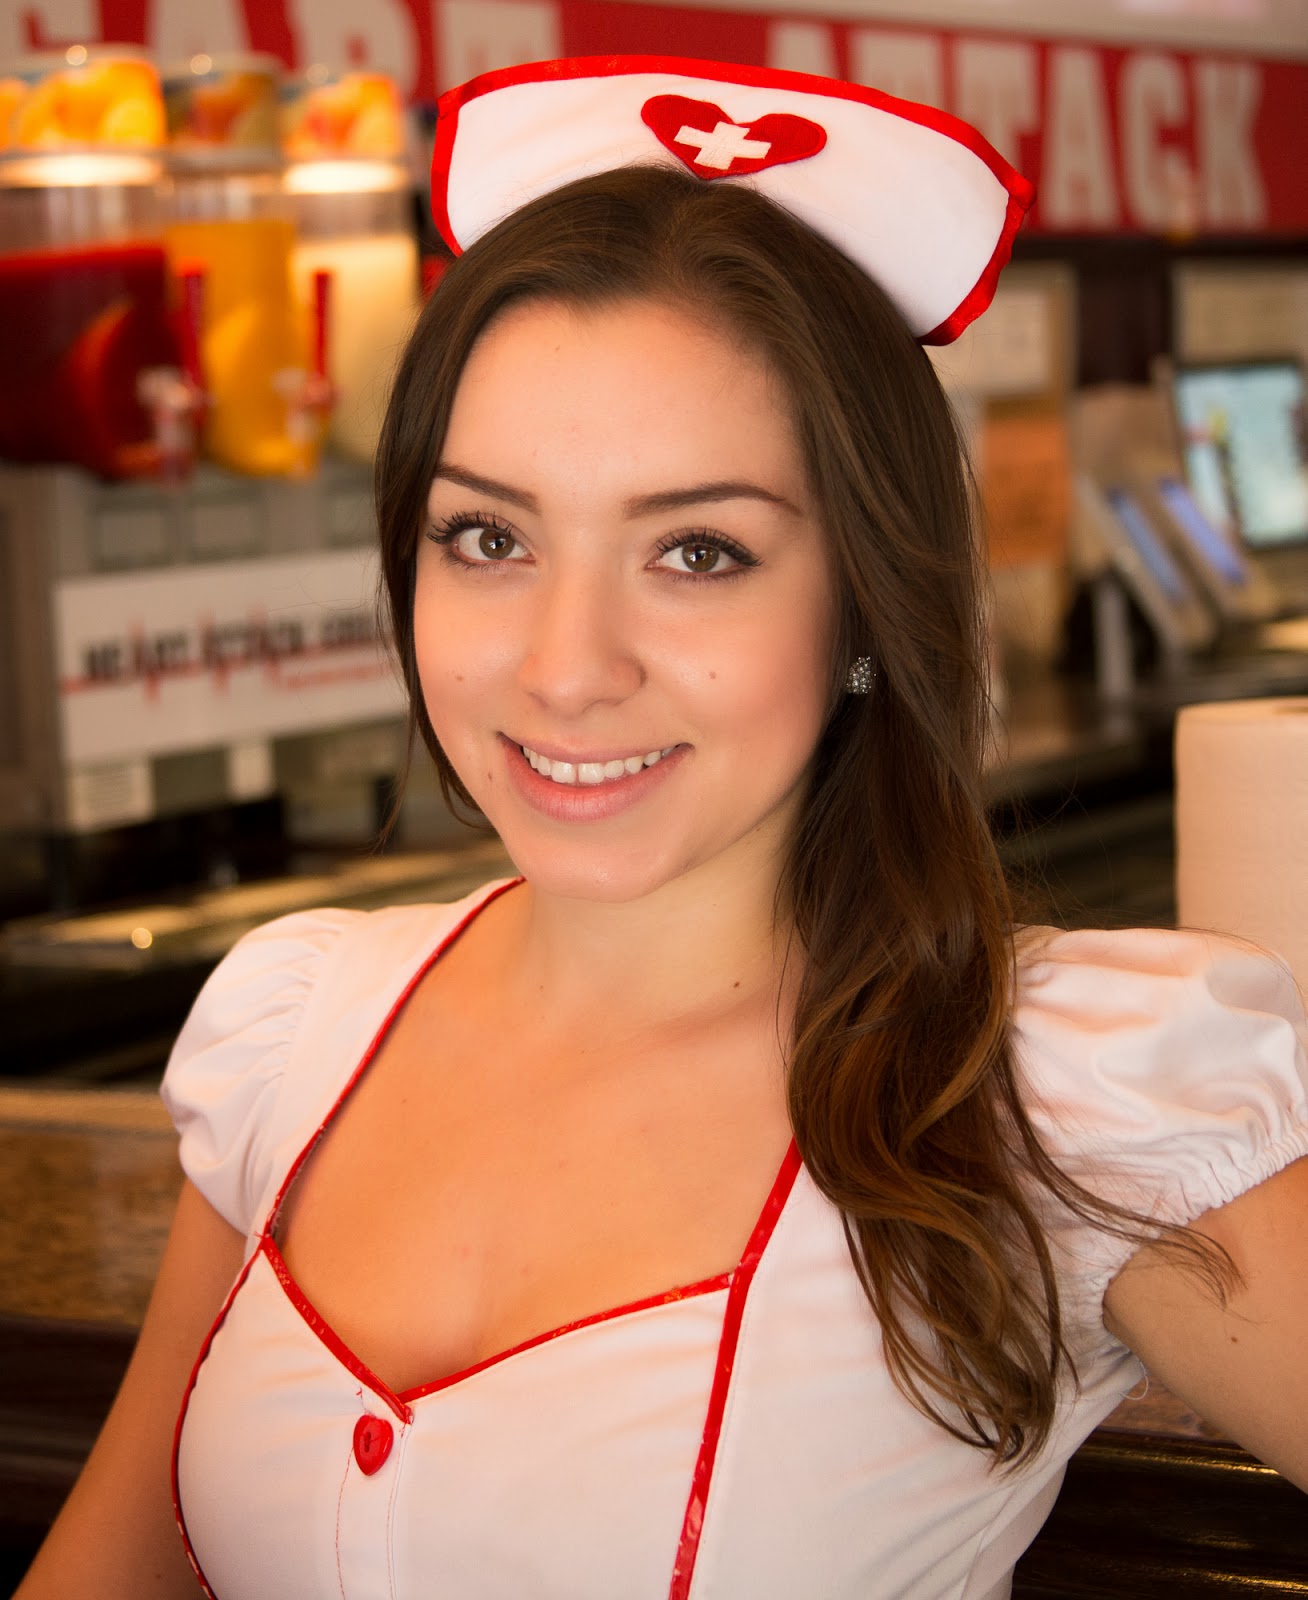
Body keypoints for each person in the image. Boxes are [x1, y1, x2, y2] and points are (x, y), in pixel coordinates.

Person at [18, 56, 1308, 1600]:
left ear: (860, 608)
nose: (567, 664)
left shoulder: (1051, 1094)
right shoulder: (294, 1035)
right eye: (488, 536)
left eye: (698, 551)